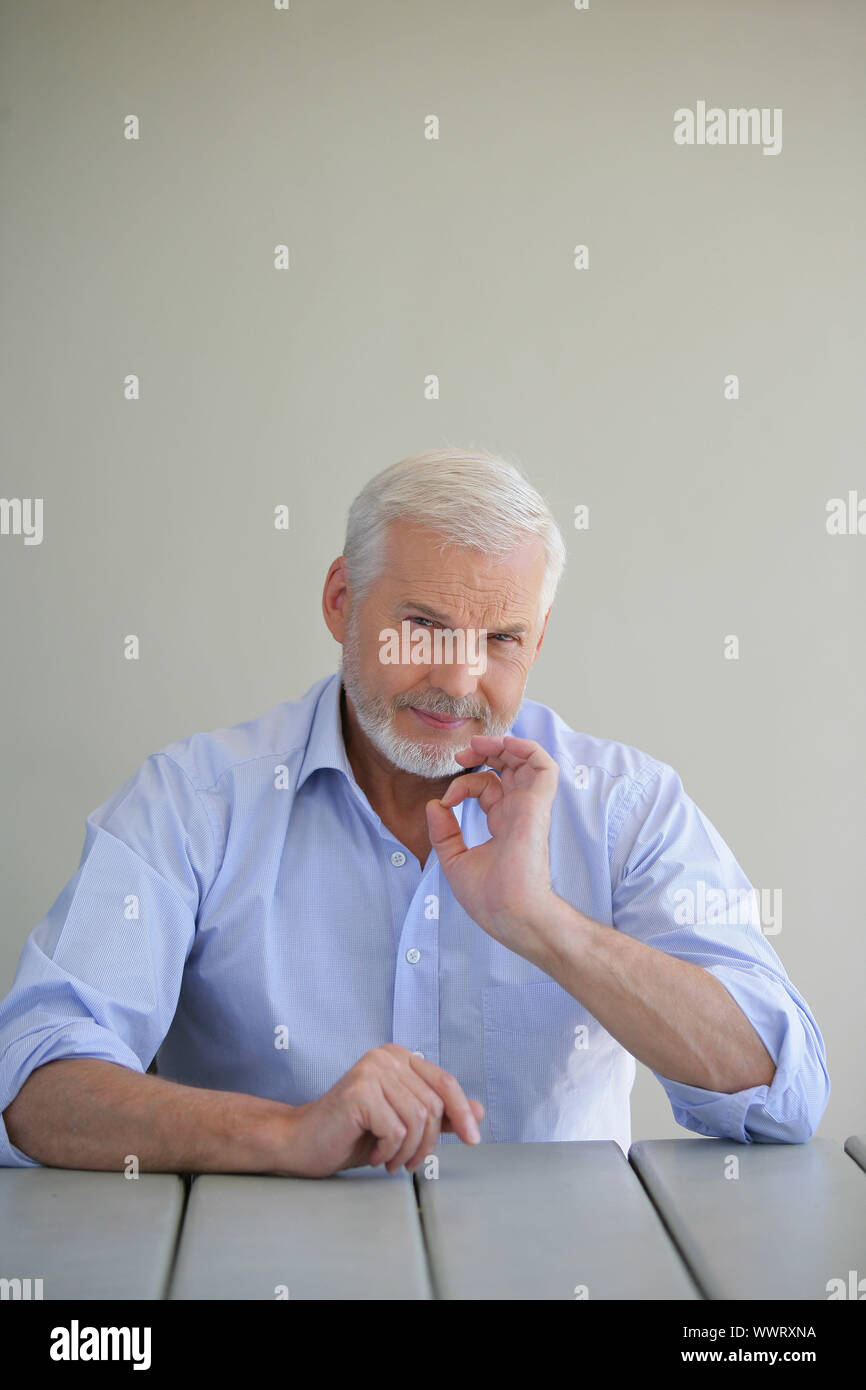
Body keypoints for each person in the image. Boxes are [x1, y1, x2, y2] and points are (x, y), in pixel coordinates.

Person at [0, 448, 829, 1176]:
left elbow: (782, 1090)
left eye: (501, 638)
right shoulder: (194, 803)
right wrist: (287, 1135)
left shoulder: (627, 807)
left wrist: (542, 922)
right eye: (423, 626)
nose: (460, 680)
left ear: (538, 640)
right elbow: (34, 1083)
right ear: (339, 601)